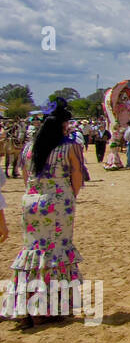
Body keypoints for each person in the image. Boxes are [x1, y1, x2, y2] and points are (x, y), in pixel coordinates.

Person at [3, 99, 84, 329]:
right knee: (55, 253)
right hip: (58, 201)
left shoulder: (30, 148)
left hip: (31, 201)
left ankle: (25, 306)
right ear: (62, 125)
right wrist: (70, 195)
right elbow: (77, 175)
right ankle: (47, 308)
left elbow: (25, 176)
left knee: (33, 252)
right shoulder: (70, 147)